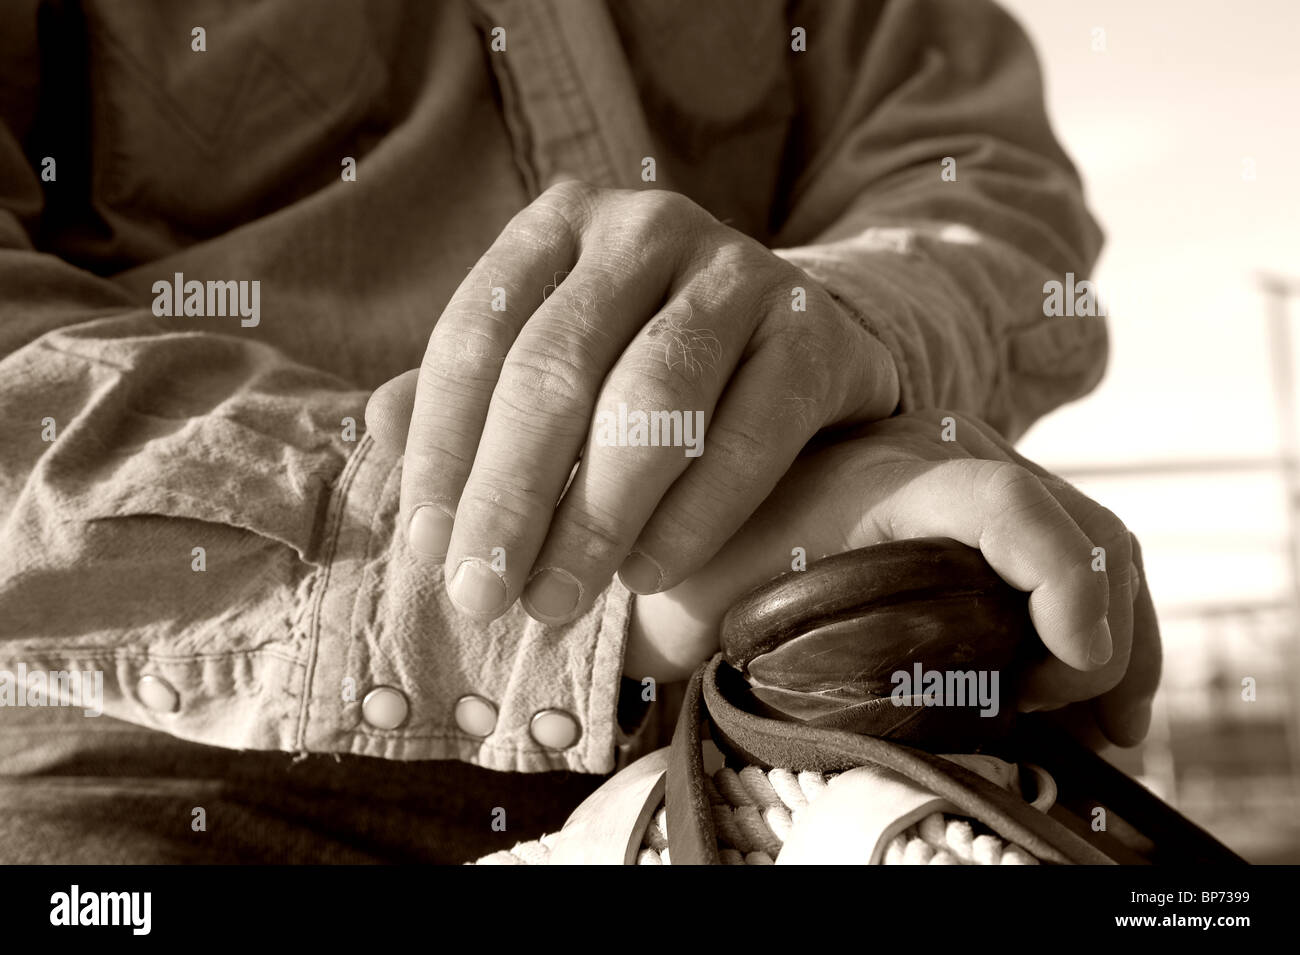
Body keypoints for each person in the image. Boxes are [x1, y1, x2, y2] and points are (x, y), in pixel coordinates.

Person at [0, 0, 1156, 863]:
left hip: (785, 698)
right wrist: (589, 575)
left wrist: (826, 352)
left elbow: (971, 174)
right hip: (159, 747)